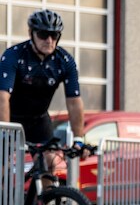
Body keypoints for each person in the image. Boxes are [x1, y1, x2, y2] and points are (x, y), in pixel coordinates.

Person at [0, 10, 87, 147]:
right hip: (11, 118)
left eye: (54, 35)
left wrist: (79, 139)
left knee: (51, 161)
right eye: (43, 34)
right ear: (31, 33)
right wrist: (4, 132)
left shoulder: (65, 61)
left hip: (39, 120)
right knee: (7, 163)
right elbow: (2, 97)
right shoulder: (14, 56)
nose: (49, 40)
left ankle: (43, 169)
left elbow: (74, 101)